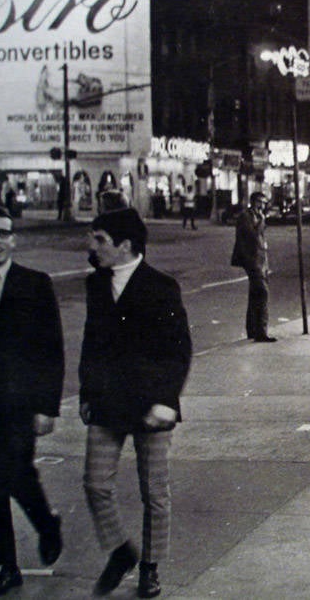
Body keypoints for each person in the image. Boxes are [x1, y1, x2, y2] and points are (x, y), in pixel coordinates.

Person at [79, 208, 192, 598]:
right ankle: (121, 552)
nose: (91, 246)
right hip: (108, 402)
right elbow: (91, 343)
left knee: (154, 491)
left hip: (151, 405)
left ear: (125, 245)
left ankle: (150, 566)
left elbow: (179, 351)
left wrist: (166, 401)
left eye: (100, 240)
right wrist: (86, 393)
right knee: (95, 483)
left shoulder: (161, 287)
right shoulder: (96, 284)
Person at [0, 206, 65, 596]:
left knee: (15, 473)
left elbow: (51, 349)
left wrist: (47, 405)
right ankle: (7, 564)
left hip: (20, 403)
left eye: (4, 233)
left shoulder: (34, 283)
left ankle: (45, 523)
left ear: (14, 238)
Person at [230, 192, 276, 342]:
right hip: (251, 260)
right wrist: (262, 221)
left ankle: (252, 329)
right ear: (253, 202)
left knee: (255, 293)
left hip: (260, 258)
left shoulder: (257, 216)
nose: (262, 205)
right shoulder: (246, 217)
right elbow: (253, 236)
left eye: (264, 203)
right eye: (259, 202)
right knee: (262, 293)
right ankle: (261, 332)